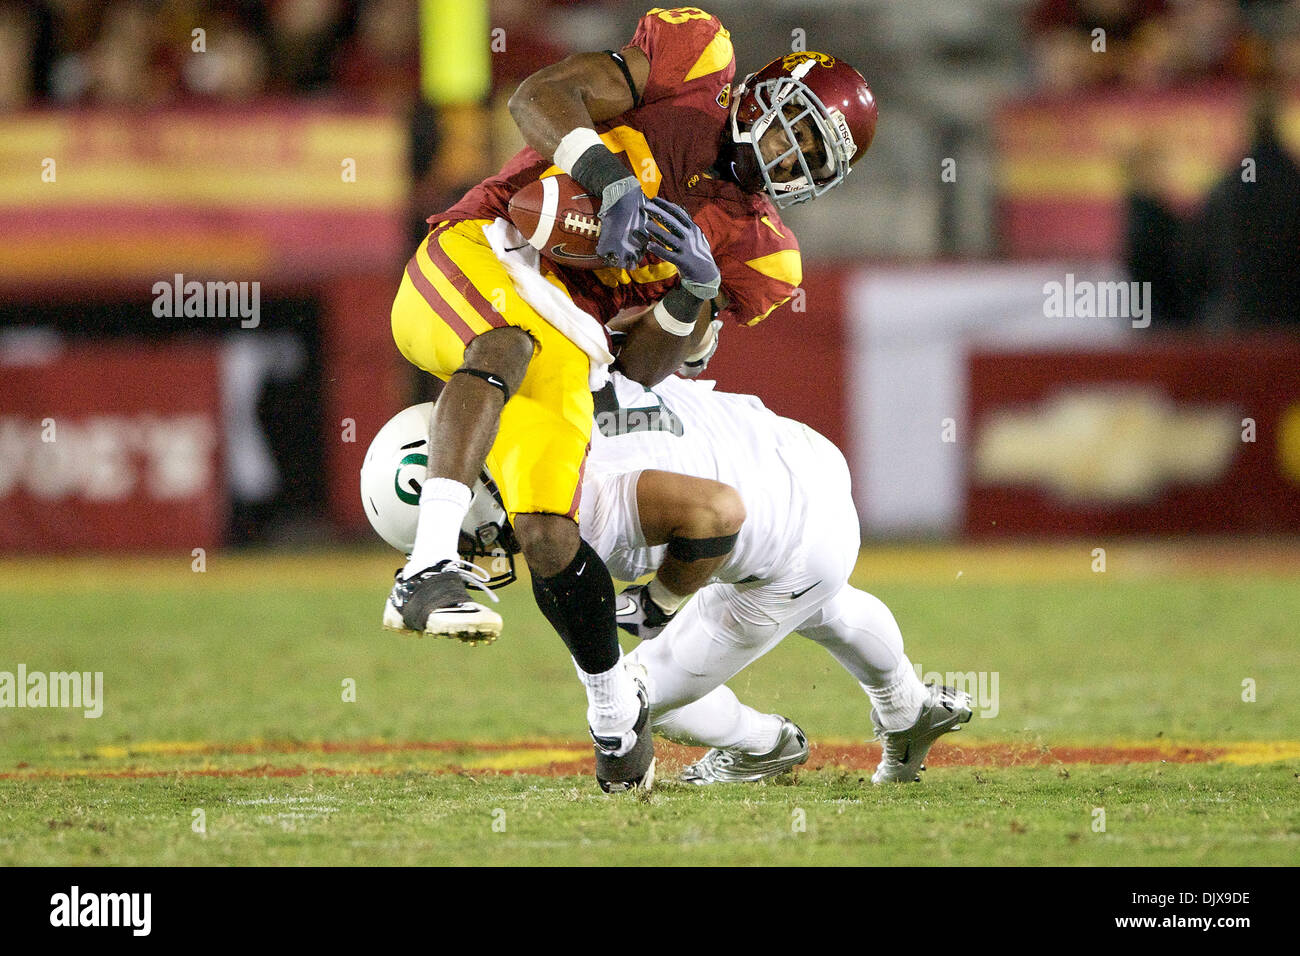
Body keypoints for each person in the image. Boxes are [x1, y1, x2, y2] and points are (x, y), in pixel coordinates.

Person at [384, 6, 877, 792]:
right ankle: (427, 566)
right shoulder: (694, 60)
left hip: (570, 340)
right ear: (762, 94)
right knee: (505, 343)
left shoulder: (763, 254)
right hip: (486, 250)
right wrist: (608, 183)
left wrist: (695, 288)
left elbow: (642, 368)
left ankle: (615, 722)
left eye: (812, 158)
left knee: (550, 532)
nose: (790, 156)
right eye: (795, 129)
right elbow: (538, 97)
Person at [361, 360, 973, 787]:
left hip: (783, 532)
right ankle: (910, 709)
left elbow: (716, 513)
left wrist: (660, 599)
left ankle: (764, 746)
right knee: (822, 605)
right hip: (792, 450)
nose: (474, 553)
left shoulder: (585, 506)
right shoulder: (534, 385)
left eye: (465, 538)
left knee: (626, 697)